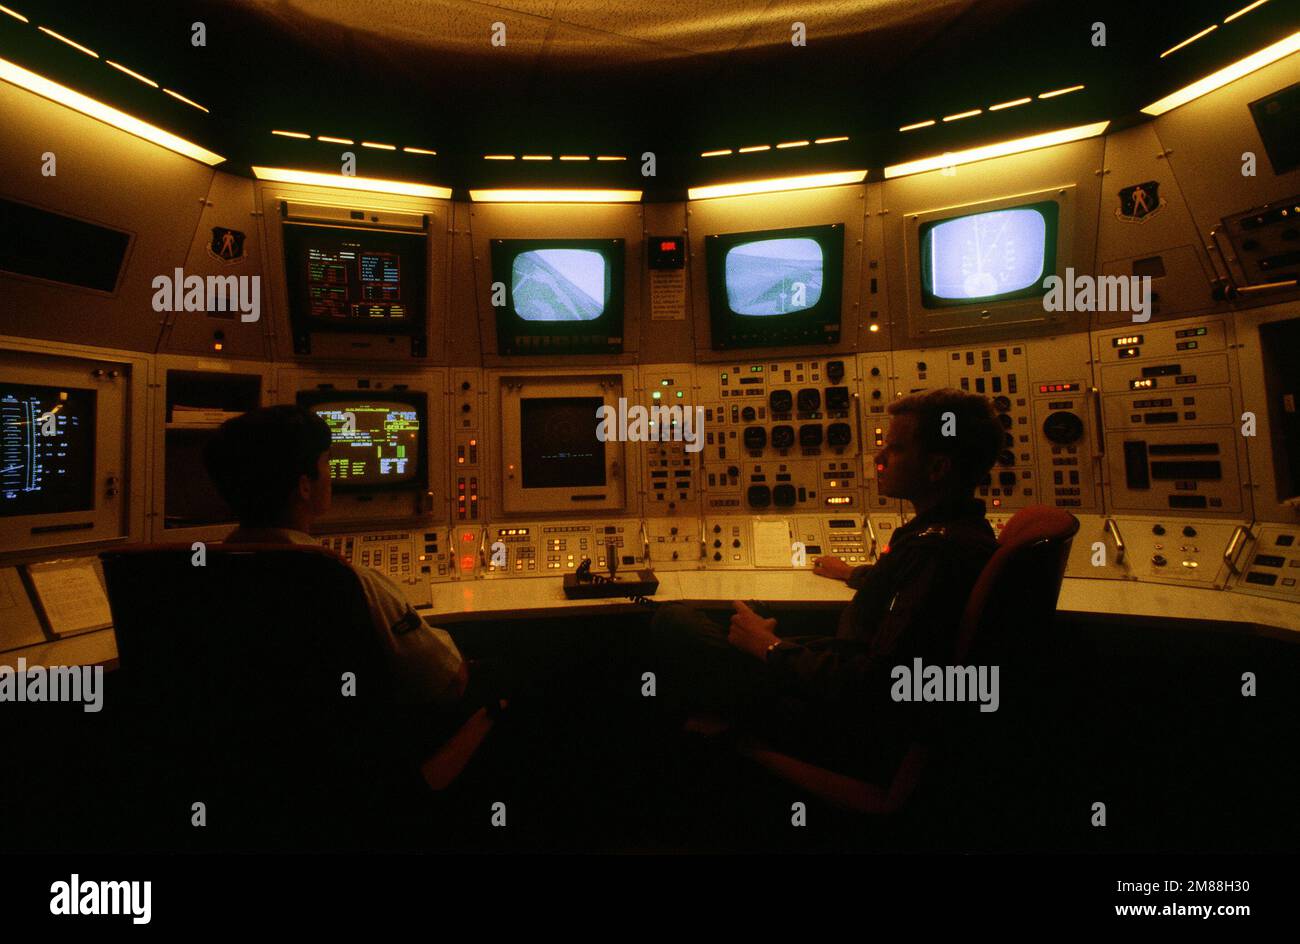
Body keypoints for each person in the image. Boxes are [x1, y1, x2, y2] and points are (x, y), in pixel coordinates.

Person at [640, 388, 1004, 782]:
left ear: (937, 468)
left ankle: (710, 750)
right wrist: (853, 574)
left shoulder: (937, 552)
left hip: (842, 718)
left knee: (673, 621)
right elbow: (904, 592)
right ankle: (722, 728)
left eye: (895, 450)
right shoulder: (957, 536)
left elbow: (877, 689)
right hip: (836, 677)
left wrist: (772, 648)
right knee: (750, 616)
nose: (879, 459)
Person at [203, 405, 467, 709]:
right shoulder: (348, 580)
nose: (332, 473)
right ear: (304, 487)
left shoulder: (207, 579)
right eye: (327, 461)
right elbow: (448, 680)